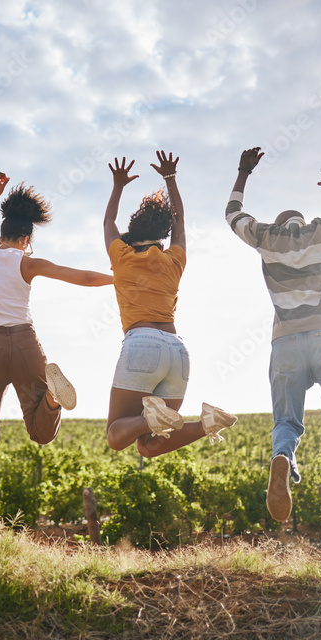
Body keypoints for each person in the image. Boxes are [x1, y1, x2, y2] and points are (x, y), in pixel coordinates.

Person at [225, 146, 321, 522]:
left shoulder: (267, 238)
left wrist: (244, 172)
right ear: (301, 222)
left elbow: (233, 214)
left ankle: (283, 457)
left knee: (286, 421)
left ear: (279, 223)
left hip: (285, 342)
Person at [0, 172, 113, 462]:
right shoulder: (28, 263)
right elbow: (84, 278)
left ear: (0, 237)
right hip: (26, 344)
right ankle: (52, 397)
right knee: (41, 432)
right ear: (26, 240)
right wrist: (119, 279)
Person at [102, 152, 238, 458]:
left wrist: (118, 185)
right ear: (161, 242)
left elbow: (109, 221)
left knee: (116, 435)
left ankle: (151, 417)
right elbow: (180, 221)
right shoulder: (174, 259)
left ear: (129, 239)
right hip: (177, 350)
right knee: (149, 446)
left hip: (142, 343)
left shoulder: (121, 258)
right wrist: (170, 178)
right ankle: (207, 424)